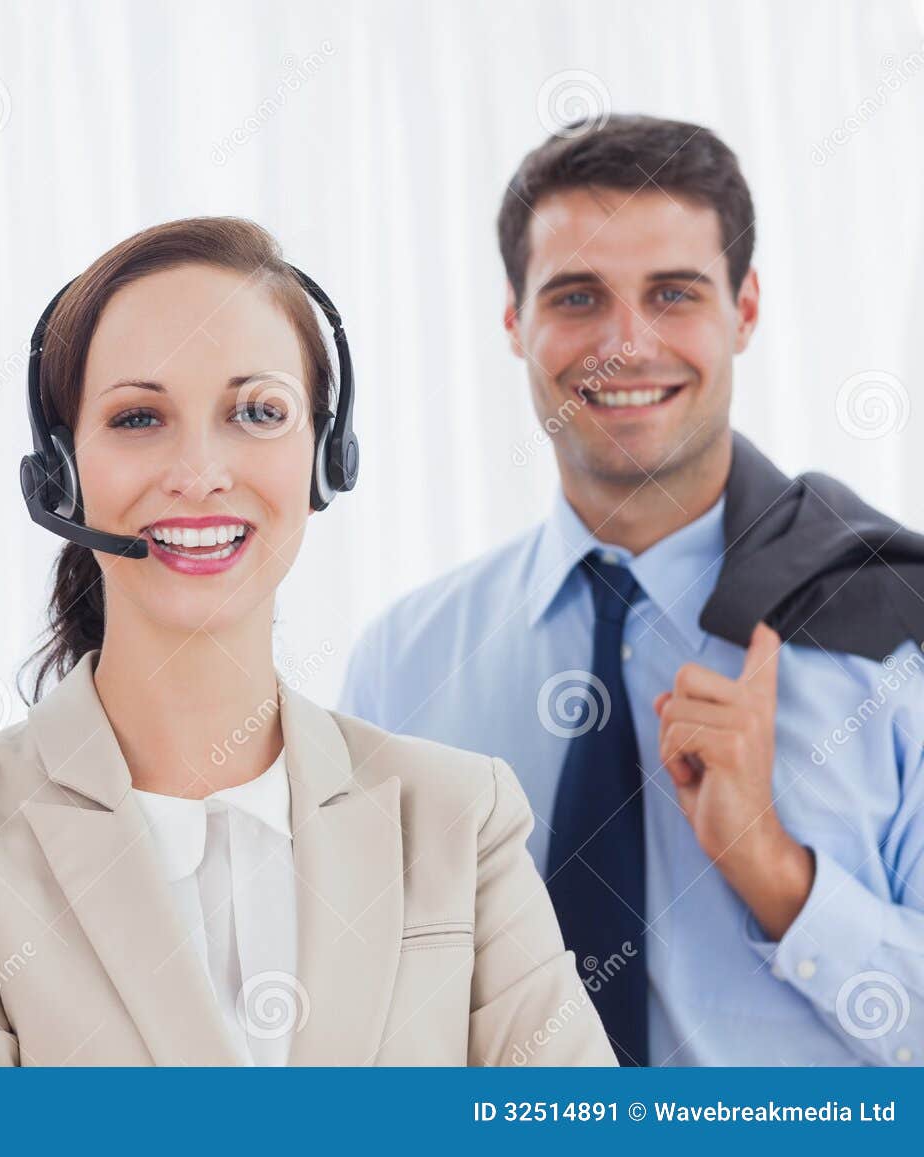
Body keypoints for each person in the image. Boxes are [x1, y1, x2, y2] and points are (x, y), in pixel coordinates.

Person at [0, 216, 614, 1066]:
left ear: (326, 456)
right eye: (139, 417)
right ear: (61, 472)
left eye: (256, 411)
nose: (200, 470)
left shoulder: (457, 818)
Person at [342, 115, 924, 1067]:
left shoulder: (897, 637)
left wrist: (777, 871)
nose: (623, 343)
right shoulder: (405, 664)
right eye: (577, 296)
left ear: (744, 311)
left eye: (673, 293)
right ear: (514, 321)